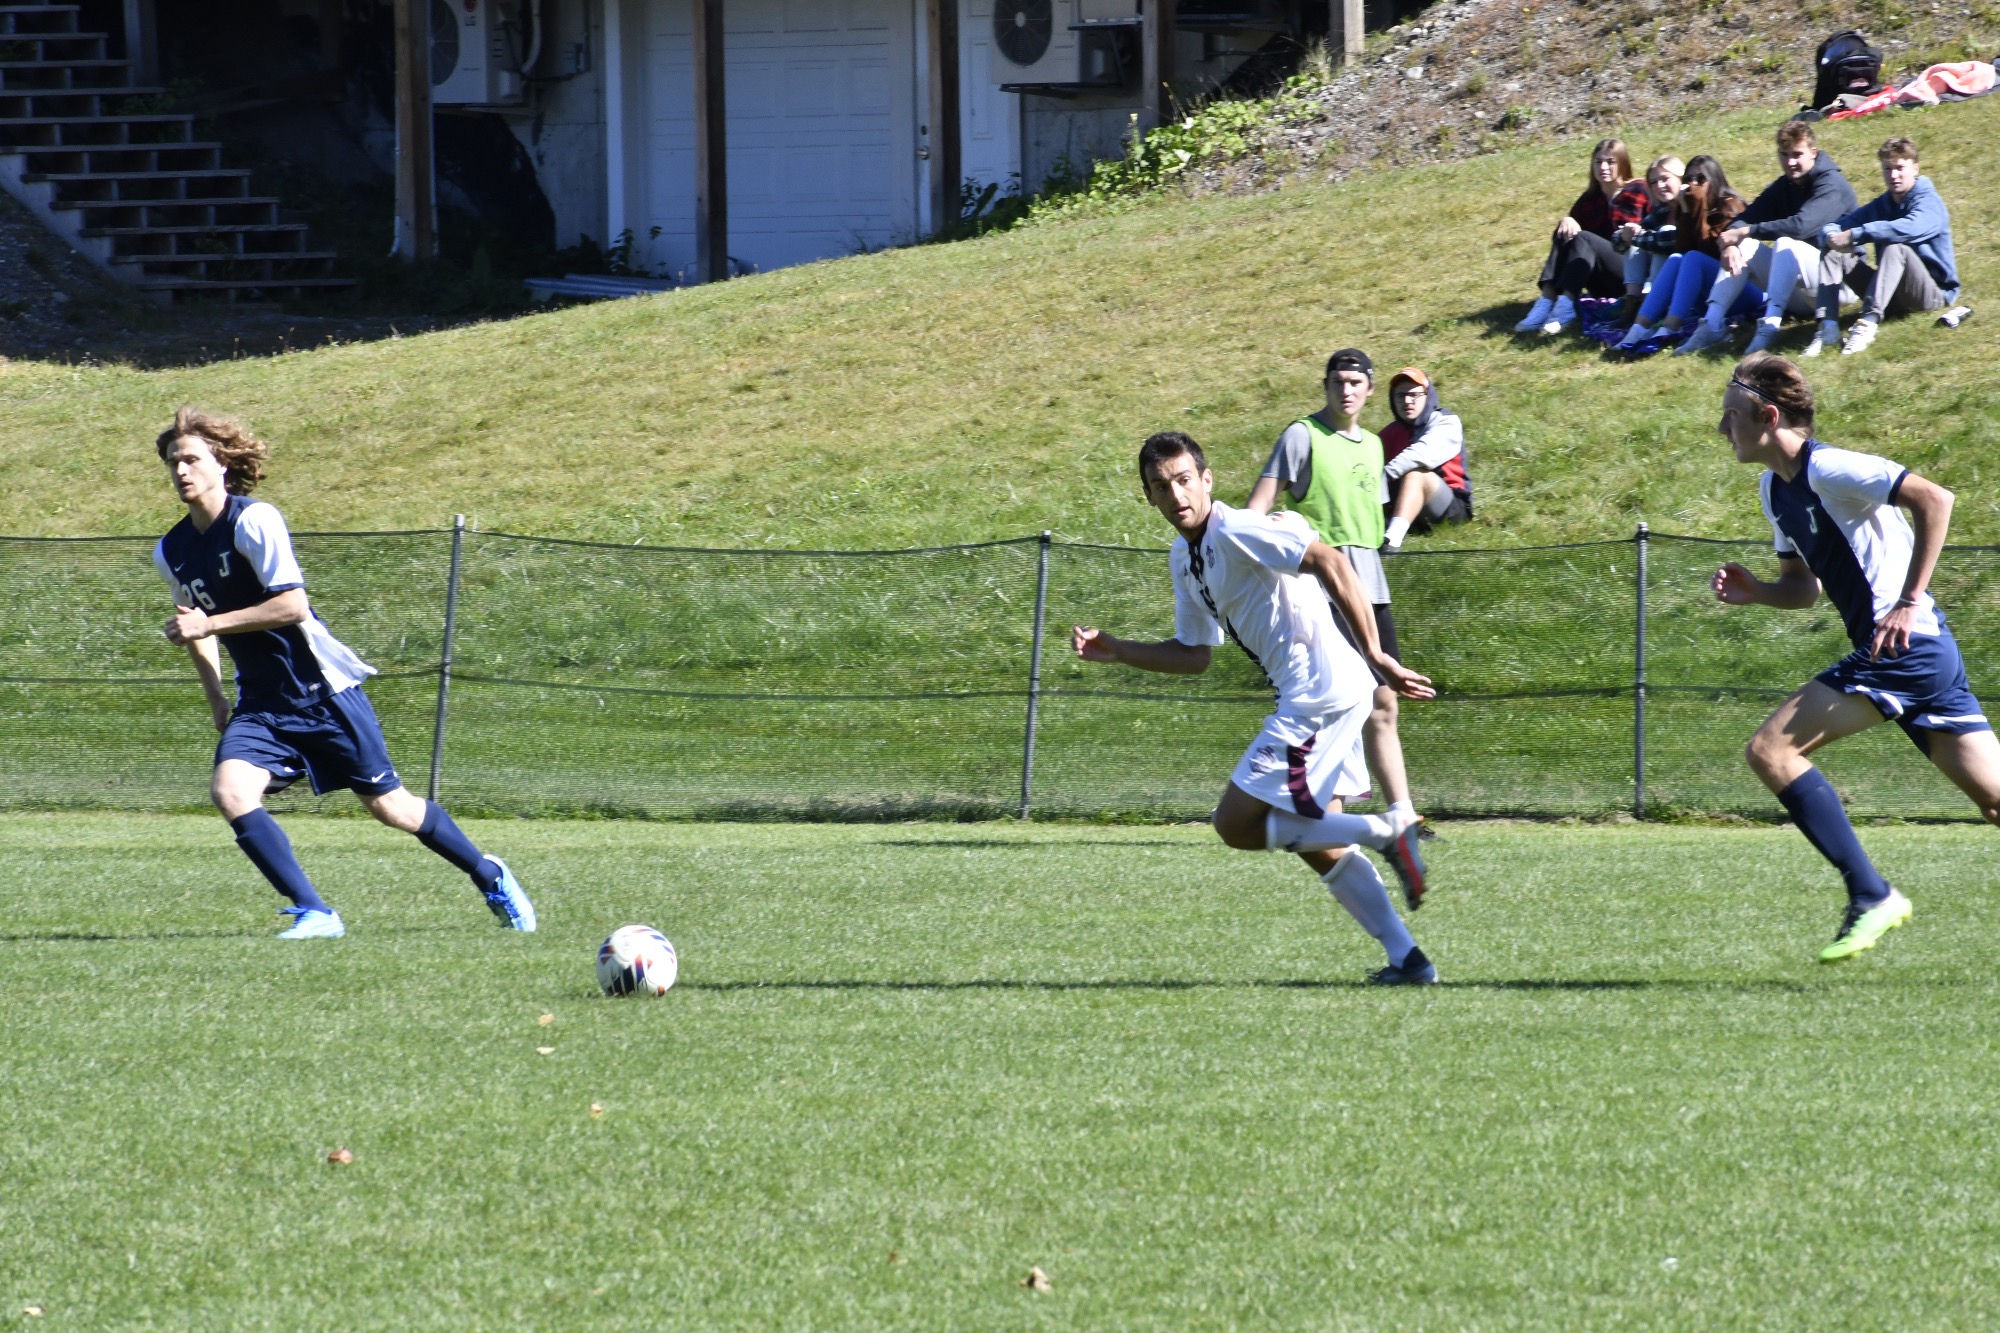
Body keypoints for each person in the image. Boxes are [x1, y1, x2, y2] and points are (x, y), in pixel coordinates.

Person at [154, 407, 536, 939]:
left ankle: (489, 873)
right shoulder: (171, 549)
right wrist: (217, 698)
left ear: (222, 463)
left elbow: (291, 606)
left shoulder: (254, 520)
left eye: (192, 459)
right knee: (231, 792)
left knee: (393, 809)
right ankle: (315, 912)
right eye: (173, 462)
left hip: (322, 692)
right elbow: (193, 625)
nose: (181, 470)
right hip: (261, 703)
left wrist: (210, 623)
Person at [1071, 432, 1439, 984]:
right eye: (1161, 487)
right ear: (1148, 496)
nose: (1176, 495)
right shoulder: (1184, 557)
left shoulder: (1236, 528)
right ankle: (1409, 961)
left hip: (1318, 694)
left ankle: (1388, 831)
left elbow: (1331, 561)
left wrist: (1377, 652)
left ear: (1207, 479)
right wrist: (1120, 650)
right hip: (1323, 693)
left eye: (1184, 480)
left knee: (1236, 824)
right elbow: (1195, 654)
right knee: (1320, 842)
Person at [1711, 354, 2000, 963]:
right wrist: (1758, 592)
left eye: (1731, 415)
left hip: (1904, 648)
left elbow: (1935, 498)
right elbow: (1804, 589)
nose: (1721, 428)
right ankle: (1871, 894)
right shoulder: (1774, 491)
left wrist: (1908, 600)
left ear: (1769, 416)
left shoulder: (1829, 466)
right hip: (1920, 654)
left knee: (1771, 751)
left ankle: (1872, 894)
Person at [1246, 349, 1418, 844]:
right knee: (1336, 703)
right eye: (1338, 381)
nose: (1346, 391)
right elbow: (1256, 510)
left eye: (1356, 382)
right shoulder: (1301, 435)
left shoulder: (1373, 446)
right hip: (1321, 587)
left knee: (1384, 702)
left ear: (1370, 390)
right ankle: (1332, 821)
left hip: (1369, 583)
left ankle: (1404, 818)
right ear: (1325, 386)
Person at [1689, 120, 1859, 356]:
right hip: (1803, 293)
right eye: (1784, 155)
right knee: (1745, 246)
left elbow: (1800, 227)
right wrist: (1731, 243)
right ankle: (1712, 325)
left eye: (1797, 154)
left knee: (1786, 243)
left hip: (1841, 288)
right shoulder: (1785, 185)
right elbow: (1747, 217)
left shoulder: (1831, 185)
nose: (1790, 162)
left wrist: (1745, 231)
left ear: (1813, 152)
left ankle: (1770, 325)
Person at [1811, 136, 1967, 357]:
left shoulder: (1929, 201)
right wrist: (1830, 236)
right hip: (1891, 294)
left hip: (1931, 295)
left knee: (1896, 248)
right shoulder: (1884, 203)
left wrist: (1856, 235)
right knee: (1834, 251)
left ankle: (1867, 323)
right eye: (1887, 169)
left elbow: (1909, 228)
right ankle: (1827, 328)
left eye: (1900, 168)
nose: (1893, 175)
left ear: (1915, 168)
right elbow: (1837, 226)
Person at [1615, 155, 1755, 354]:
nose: (1693, 184)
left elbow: (1708, 250)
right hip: (1709, 297)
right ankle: (1639, 328)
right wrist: (1687, 210)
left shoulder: (1730, 205)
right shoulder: (1684, 206)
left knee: (1692, 257)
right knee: (1676, 258)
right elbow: (1681, 250)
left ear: (1714, 179)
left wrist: (1694, 205)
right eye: (1689, 179)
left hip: (1741, 292)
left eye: (1701, 179)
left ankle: (1671, 326)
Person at [1514, 138, 1652, 336]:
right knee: (1565, 230)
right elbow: (1569, 245)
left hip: (1632, 273)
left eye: (1610, 162)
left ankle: (1565, 307)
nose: (1603, 168)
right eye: (1598, 162)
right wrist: (1568, 220)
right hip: (1599, 281)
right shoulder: (1589, 200)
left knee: (1585, 238)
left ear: (1622, 163)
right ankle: (1546, 301)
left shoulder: (1640, 190)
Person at [1378, 366, 1471, 553]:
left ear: (1427, 395)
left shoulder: (1446, 422)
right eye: (1400, 396)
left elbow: (1418, 455)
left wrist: (1381, 478)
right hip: (1406, 510)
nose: (1407, 401)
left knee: (1416, 474)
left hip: (1450, 509)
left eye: (1414, 395)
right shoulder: (1387, 434)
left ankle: (1391, 542)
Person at [1611, 155, 1684, 322]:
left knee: (1659, 237)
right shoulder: (1662, 211)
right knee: (1635, 243)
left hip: (1687, 278)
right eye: (1653, 182)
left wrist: (1635, 237)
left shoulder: (1692, 205)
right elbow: (1616, 243)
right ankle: (1633, 303)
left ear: (1680, 178)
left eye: (1665, 179)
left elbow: (1667, 241)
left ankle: (1652, 301)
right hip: (1662, 278)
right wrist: (1625, 235)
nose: (1659, 186)